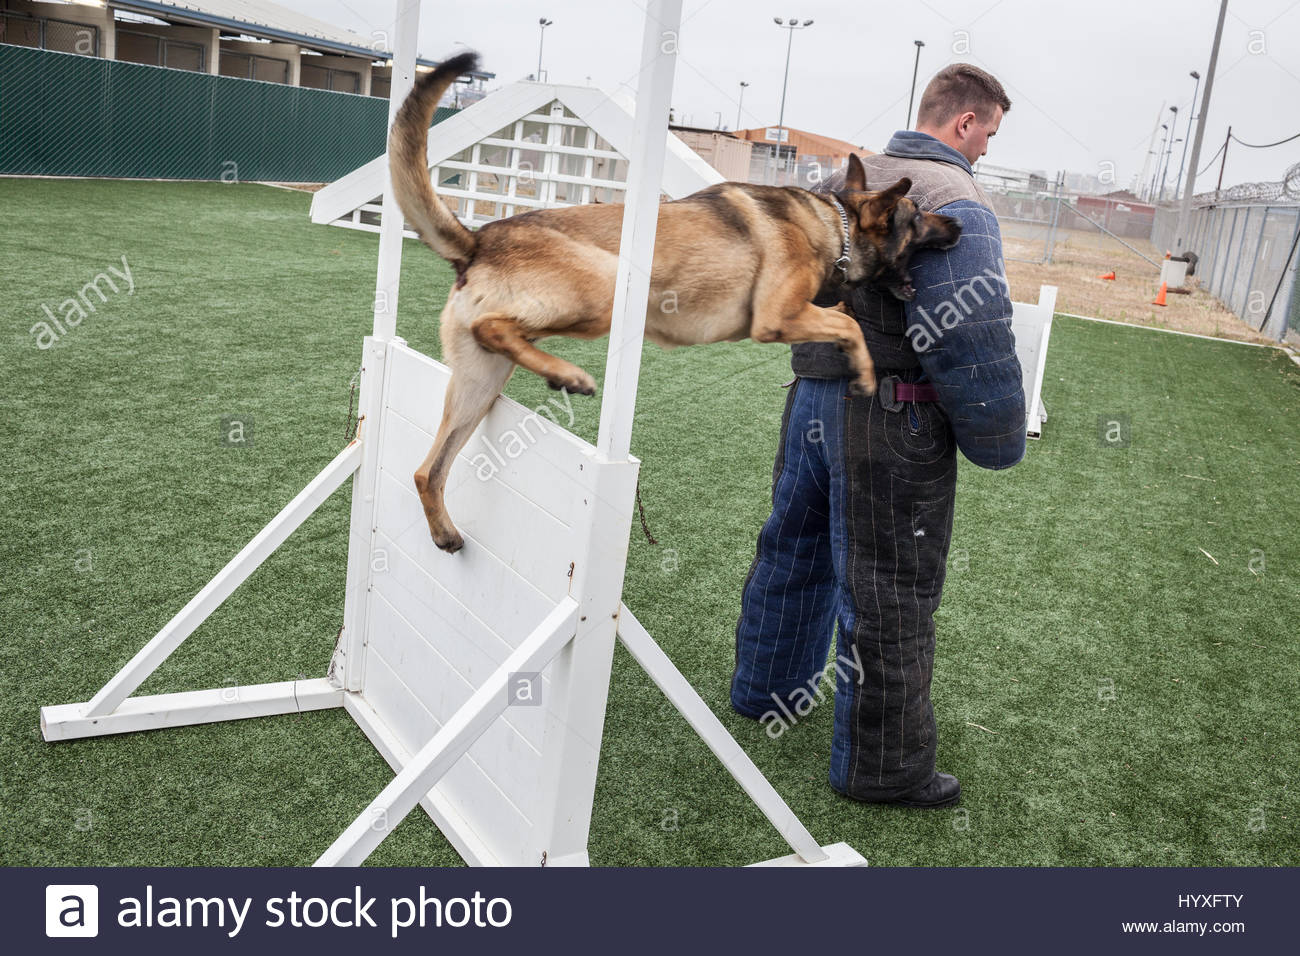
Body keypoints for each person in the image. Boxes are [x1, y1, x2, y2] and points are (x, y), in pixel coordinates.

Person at [730, 64, 1024, 808]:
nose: (987, 147)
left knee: (791, 551)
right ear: (964, 122)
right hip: (893, 416)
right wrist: (998, 435)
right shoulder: (954, 198)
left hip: (812, 399)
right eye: (989, 131)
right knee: (892, 588)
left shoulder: (839, 181)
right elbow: (967, 330)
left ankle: (767, 691)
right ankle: (885, 769)